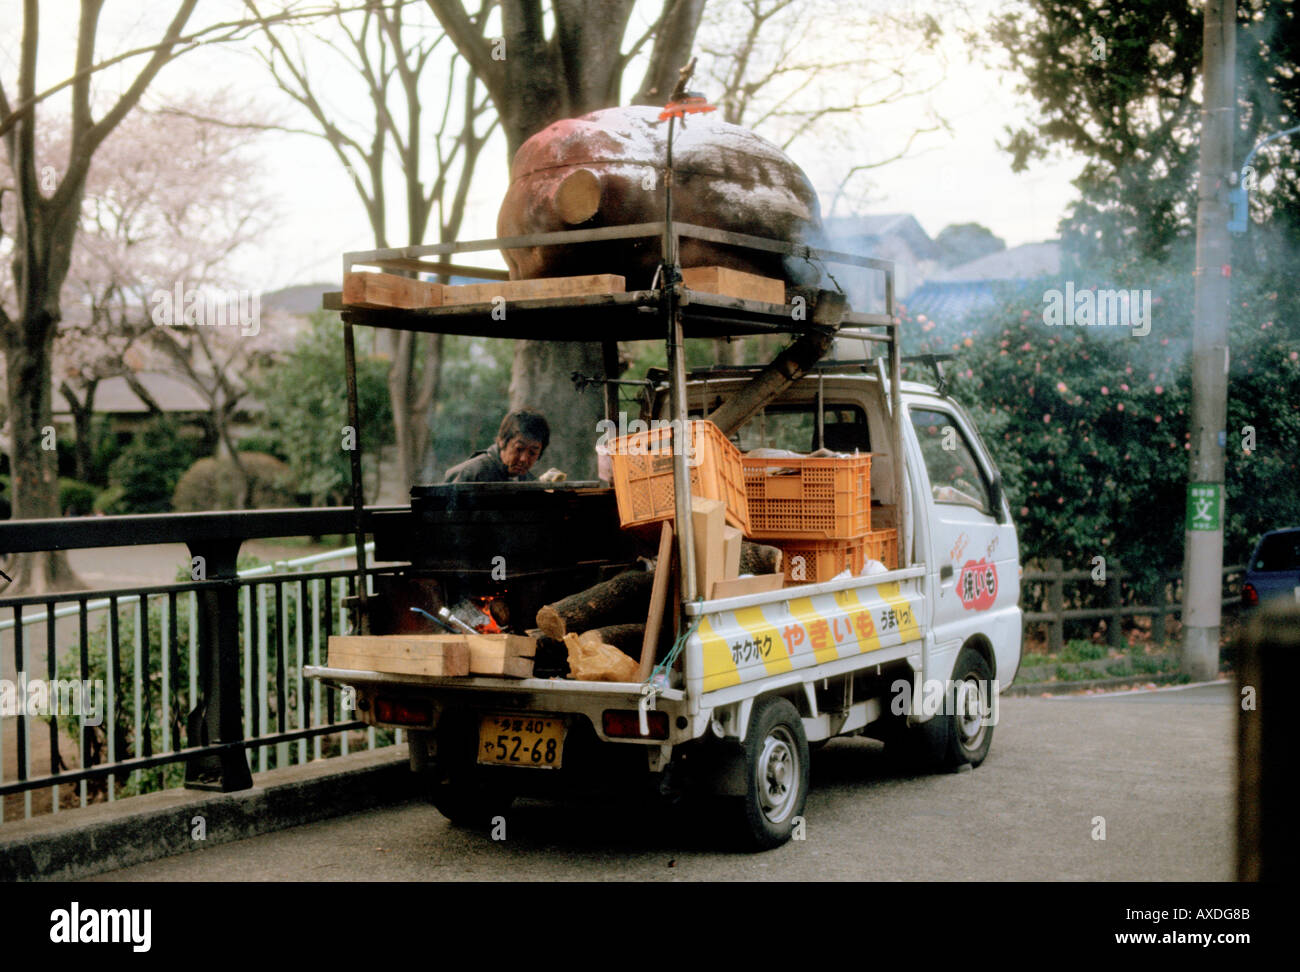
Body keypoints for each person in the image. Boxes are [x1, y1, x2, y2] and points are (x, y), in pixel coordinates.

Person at [442, 409, 550, 483]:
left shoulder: (530, 482)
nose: (524, 459)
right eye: (519, 449)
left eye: (532, 453)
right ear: (502, 441)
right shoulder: (469, 475)